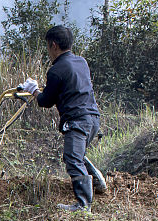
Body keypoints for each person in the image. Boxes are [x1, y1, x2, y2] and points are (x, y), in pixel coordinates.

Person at [18, 26, 105, 211]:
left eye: (48, 47)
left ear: (54, 45)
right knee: (75, 155)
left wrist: (33, 89)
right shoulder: (81, 62)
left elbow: (45, 101)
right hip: (93, 119)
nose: (48, 51)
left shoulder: (55, 70)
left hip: (77, 121)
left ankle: (83, 205)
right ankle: (98, 182)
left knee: (73, 159)